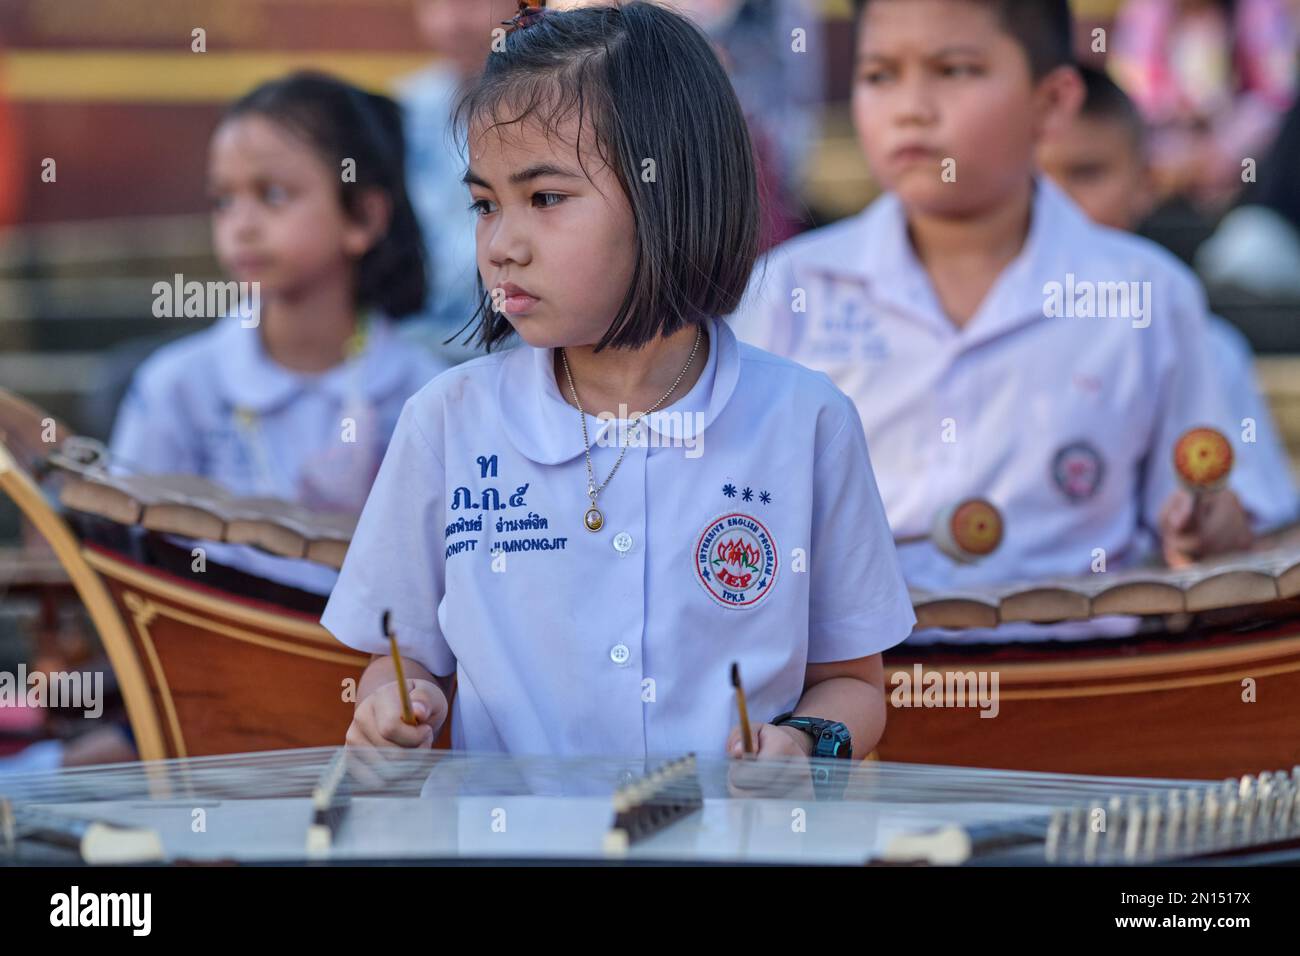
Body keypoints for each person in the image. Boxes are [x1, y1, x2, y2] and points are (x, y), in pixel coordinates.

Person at [322, 2, 915, 758]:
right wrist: (395, 708)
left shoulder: (808, 423)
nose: (502, 245)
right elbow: (397, 666)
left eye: (545, 198)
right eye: (483, 205)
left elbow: (855, 685)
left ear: (672, 192)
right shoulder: (444, 423)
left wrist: (804, 743)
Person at [733, 0, 1277, 641]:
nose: (911, 107)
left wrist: (1207, 527)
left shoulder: (1147, 295)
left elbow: (1213, 532)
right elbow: (735, 506)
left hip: (1082, 682)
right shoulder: (791, 287)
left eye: (955, 70)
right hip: (857, 691)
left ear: (1051, 102)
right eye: (880, 75)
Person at [110, 72, 447, 597]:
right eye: (223, 200)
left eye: (272, 194)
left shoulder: (425, 395)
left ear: (362, 216)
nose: (241, 224)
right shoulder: (177, 388)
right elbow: (126, 564)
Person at [1037, 64, 1298, 524]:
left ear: (1146, 184)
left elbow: (1252, 518)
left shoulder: (1204, 344)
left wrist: (1209, 524)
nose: (1059, 204)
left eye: (1087, 173)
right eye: (1035, 179)